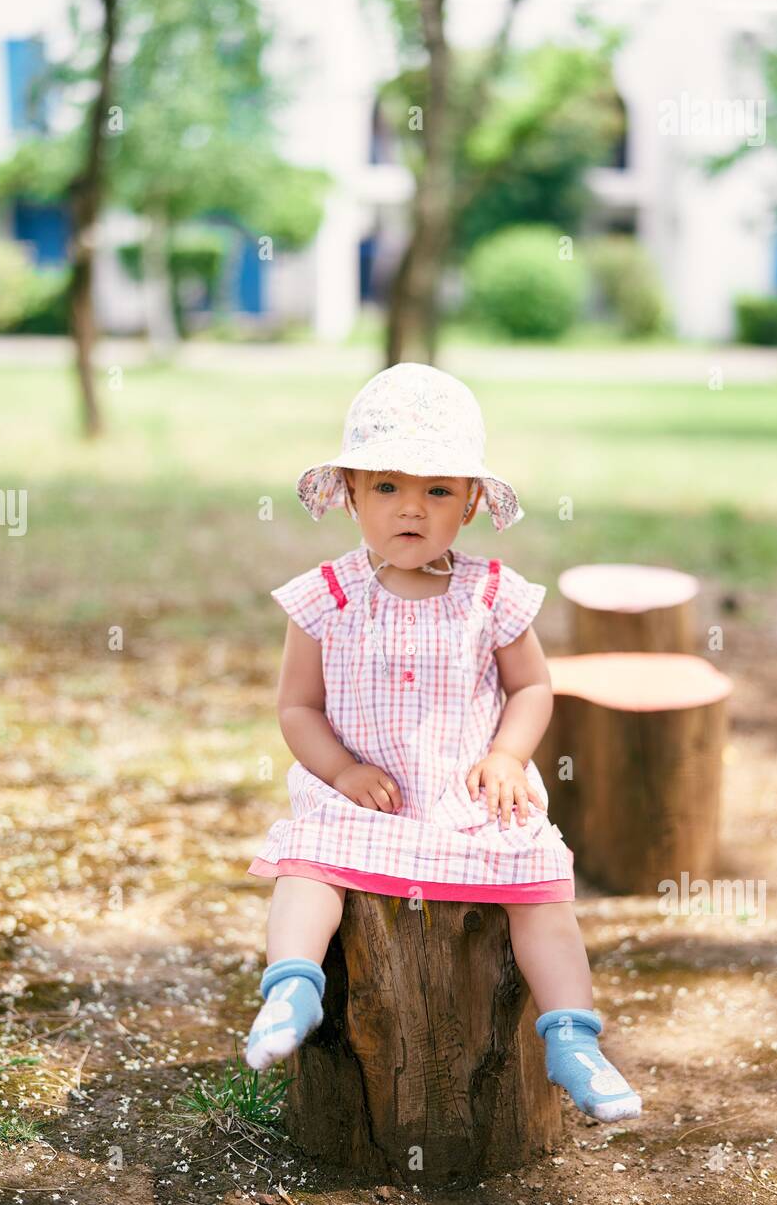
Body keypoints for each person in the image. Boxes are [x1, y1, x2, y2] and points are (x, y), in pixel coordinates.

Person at [244, 362, 641, 1123]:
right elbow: (297, 707)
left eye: (437, 491)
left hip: (467, 796)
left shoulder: (490, 594)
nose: (410, 509)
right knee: (307, 869)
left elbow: (531, 687)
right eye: (387, 487)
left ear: (471, 502)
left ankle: (572, 1037)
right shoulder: (324, 596)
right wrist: (341, 769)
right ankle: (292, 989)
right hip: (367, 800)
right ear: (352, 495)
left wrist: (508, 756)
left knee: (542, 887)